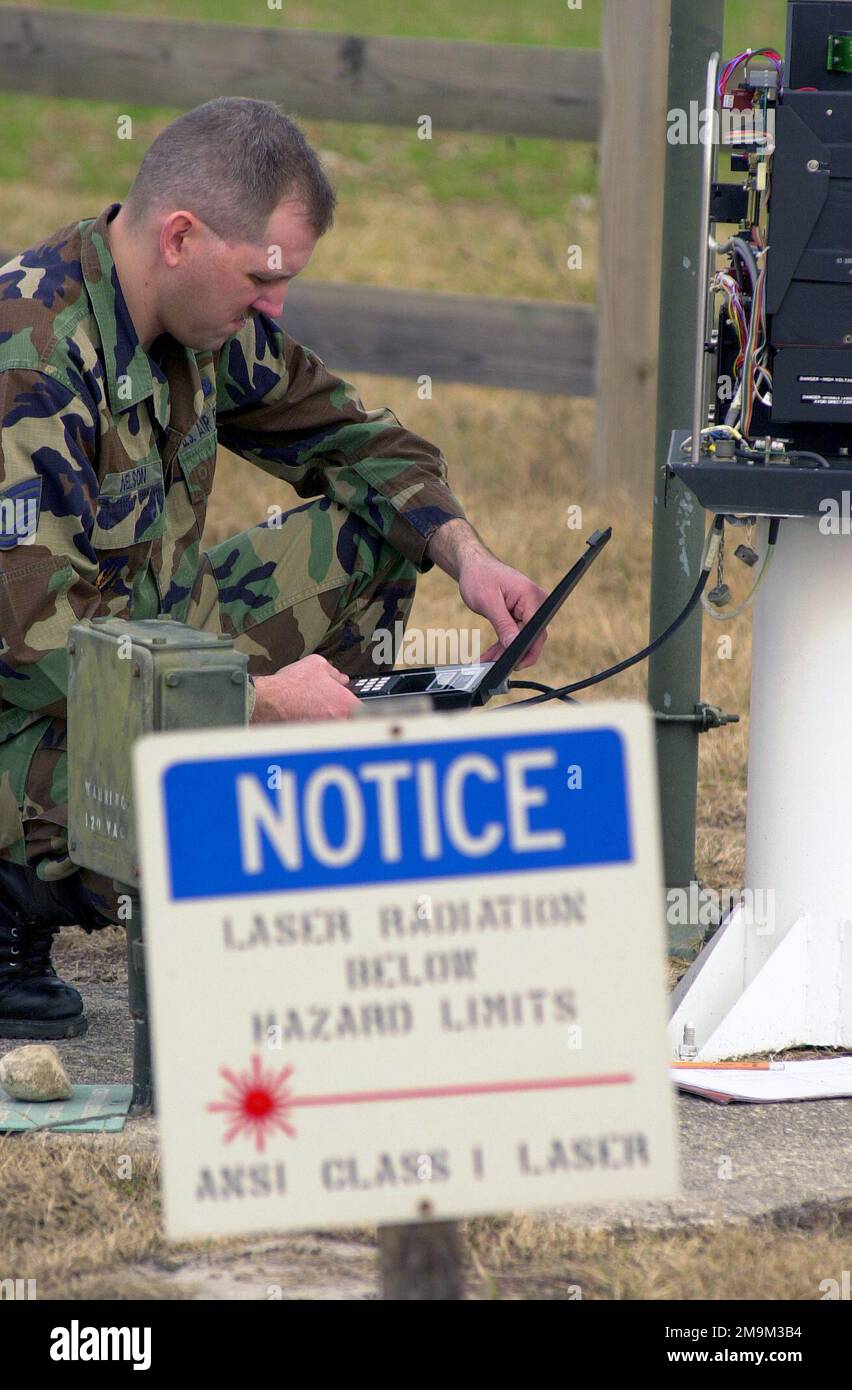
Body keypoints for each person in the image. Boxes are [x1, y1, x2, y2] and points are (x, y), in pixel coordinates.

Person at [0, 97, 548, 1039]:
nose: (275, 305)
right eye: (262, 278)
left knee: (378, 533)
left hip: (150, 642)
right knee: (213, 802)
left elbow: (359, 438)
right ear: (180, 237)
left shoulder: (197, 320)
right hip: (31, 712)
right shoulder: (32, 358)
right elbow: (42, 646)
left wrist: (469, 555)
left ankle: (293, 857)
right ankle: (17, 902)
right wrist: (254, 706)